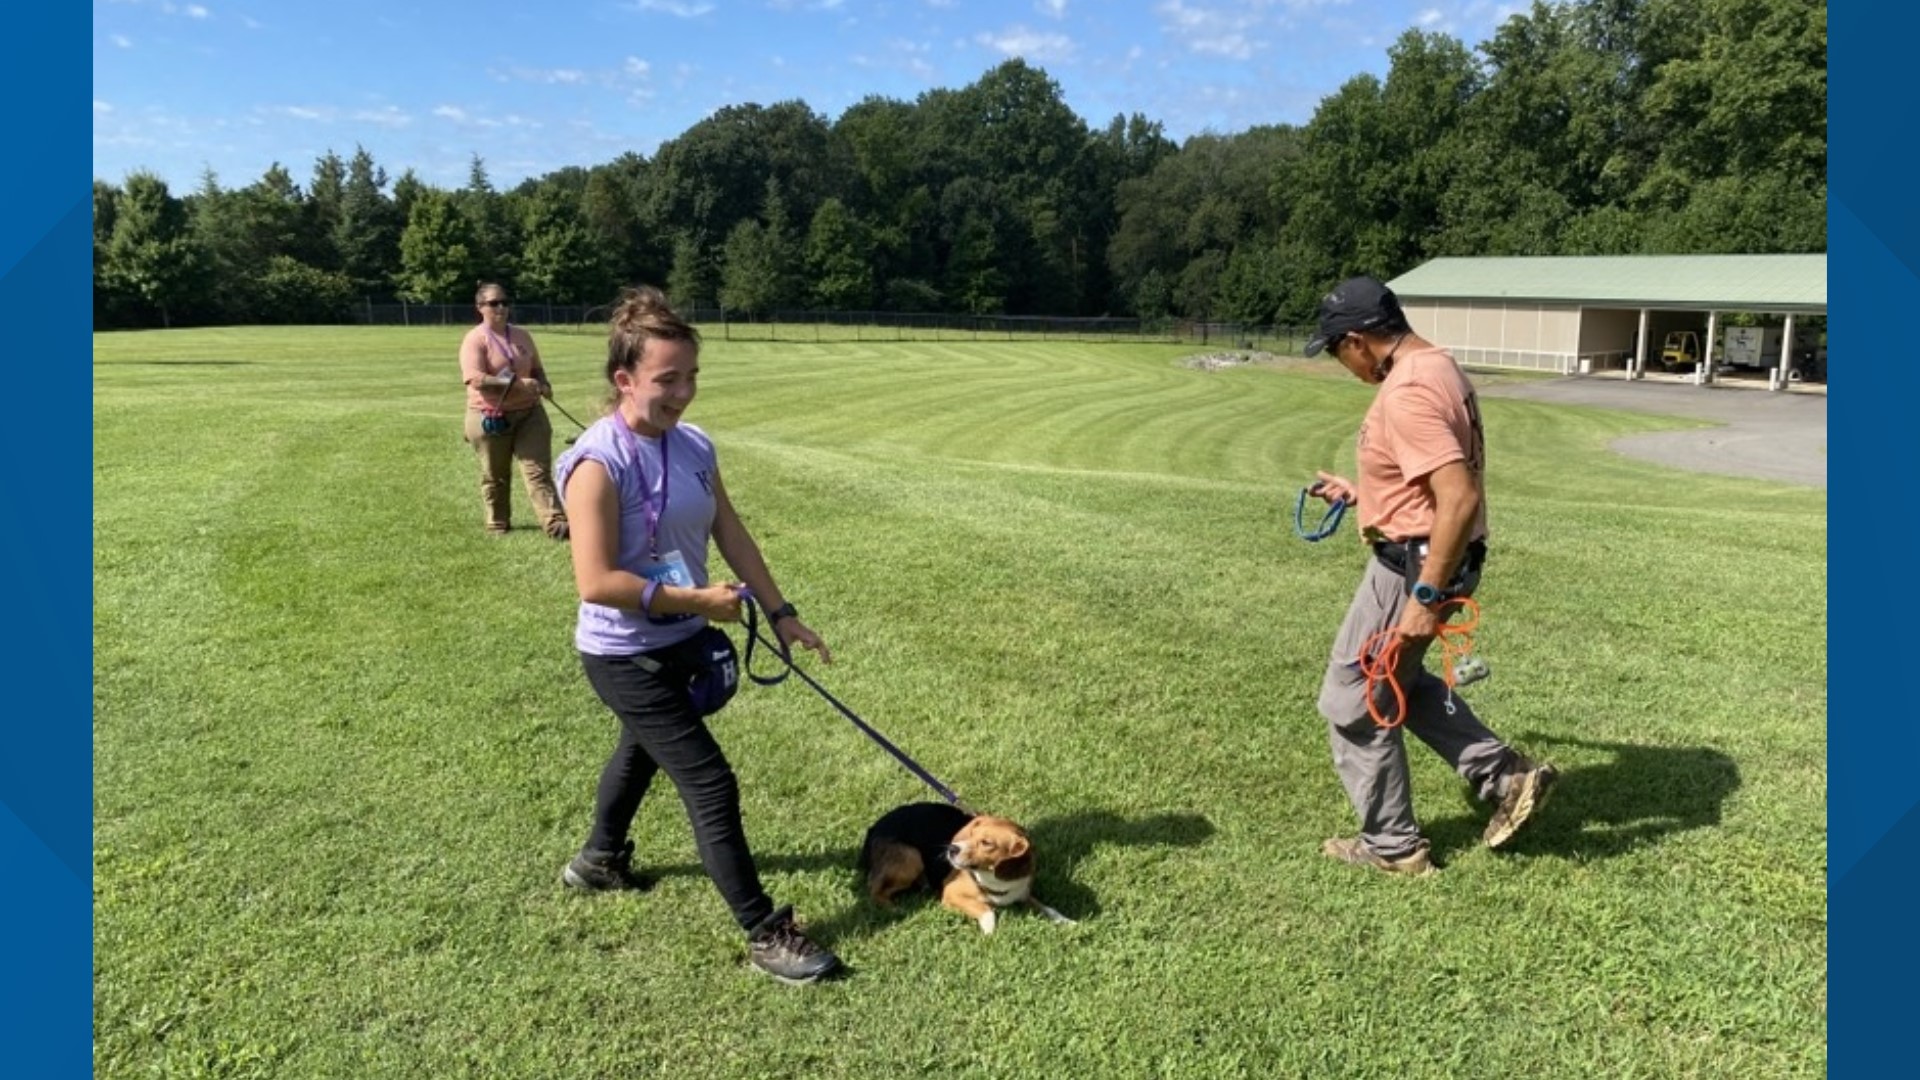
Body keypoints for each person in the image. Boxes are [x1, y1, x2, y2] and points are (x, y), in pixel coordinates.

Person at [552, 285, 841, 985]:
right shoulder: (597, 464)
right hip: (623, 652)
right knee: (709, 779)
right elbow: (596, 581)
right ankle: (764, 931)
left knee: (642, 749)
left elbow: (729, 531)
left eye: (691, 377)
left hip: (680, 636)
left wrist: (781, 612)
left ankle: (598, 860)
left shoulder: (694, 445)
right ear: (624, 379)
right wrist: (695, 600)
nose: (682, 393)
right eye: (666, 379)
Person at [1302, 275, 1557, 876]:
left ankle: (1392, 848)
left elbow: (1458, 496)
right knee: (1401, 681)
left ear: (1358, 340)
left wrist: (1423, 597)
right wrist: (1367, 496)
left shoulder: (1407, 392)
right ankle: (1505, 777)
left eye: (1337, 351)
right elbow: (1429, 484)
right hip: (1433, 554)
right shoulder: (1438, 366)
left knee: (1353, 698)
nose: (1343, 364)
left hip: (1415, 568)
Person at [458, 283, 569, 539]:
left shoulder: (522, 335)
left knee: (537, 470)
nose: (501, 307)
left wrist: (544, 384)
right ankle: (497, 524)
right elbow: (475, 379)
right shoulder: (475, 339)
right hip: (490, 416)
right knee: (496, 475)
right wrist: (517, 384)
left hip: (530, 412)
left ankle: (556, 524)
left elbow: (537, 368)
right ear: (480, 307)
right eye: (494, 303)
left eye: (505, 302)